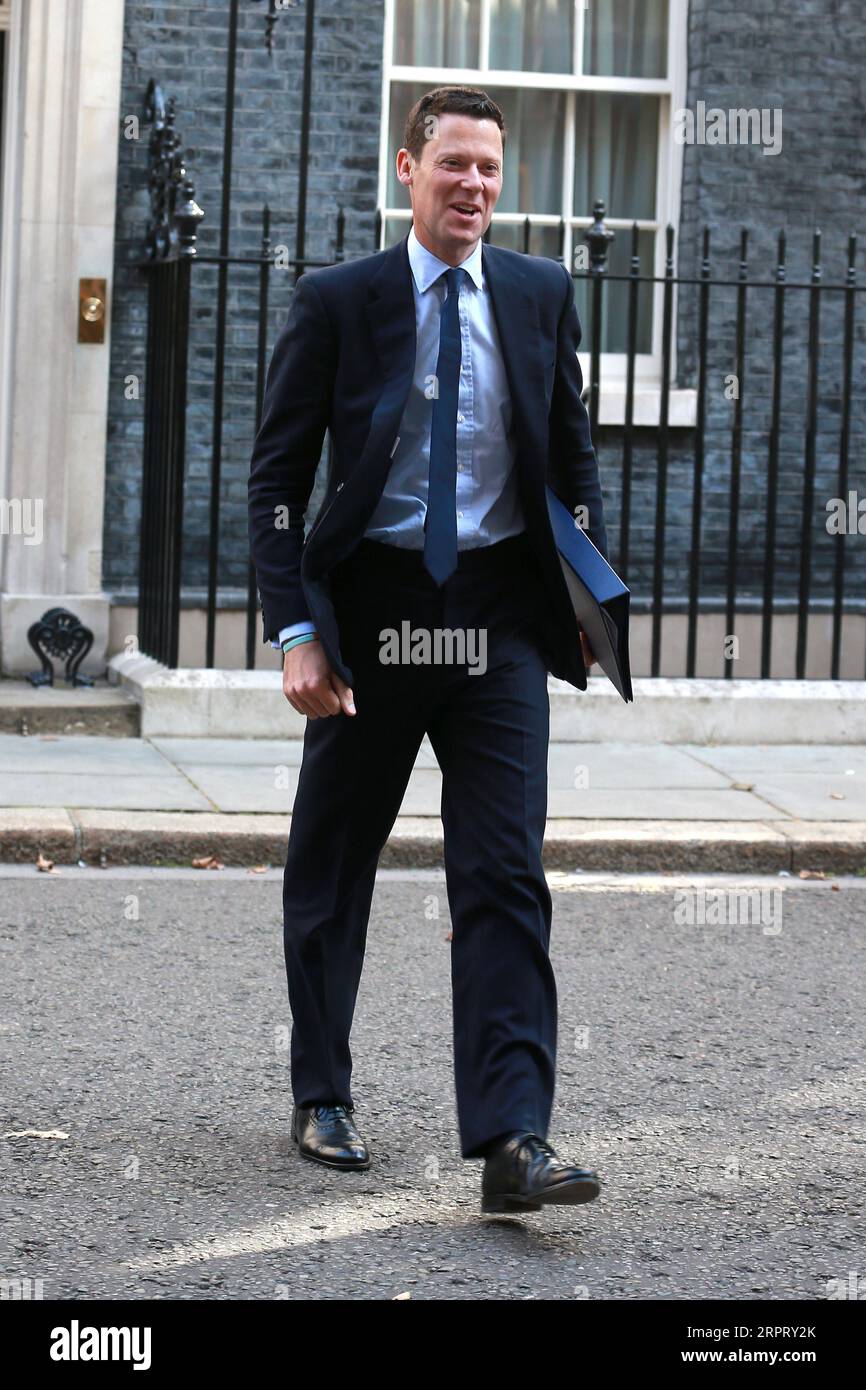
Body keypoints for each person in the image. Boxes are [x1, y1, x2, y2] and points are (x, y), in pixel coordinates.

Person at [248, 85, 609, 1214]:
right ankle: (321, 1091)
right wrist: (299, 627)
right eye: (451, 163)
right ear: (406, 170)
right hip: (373, 614)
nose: (473, 187)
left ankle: (513, 1137)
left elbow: (573, 464)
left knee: (502, 869)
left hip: (493, 613)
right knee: (334, 863)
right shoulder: (339, 301)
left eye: (489, 170)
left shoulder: (541, 296)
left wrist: (588, 600)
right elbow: (274, 484)